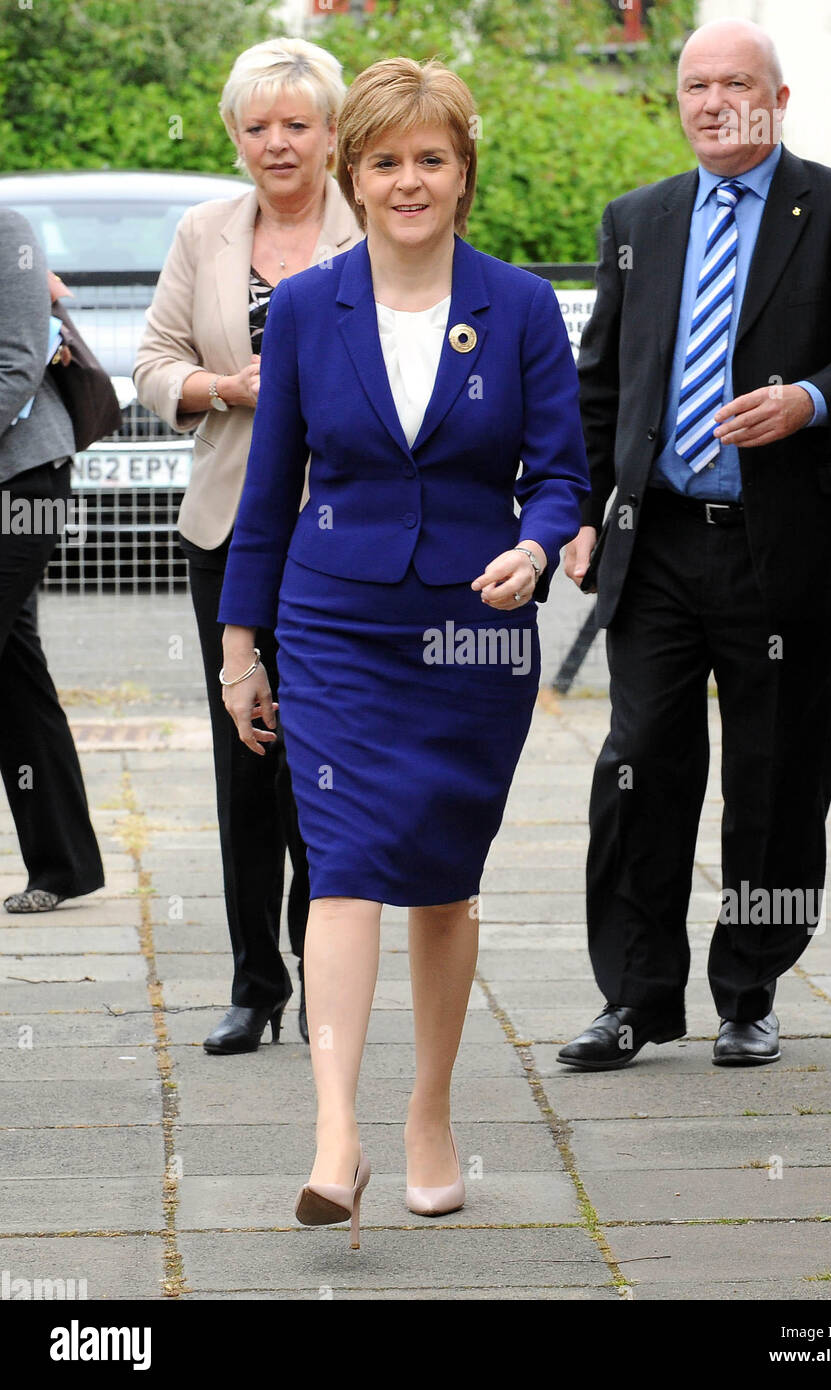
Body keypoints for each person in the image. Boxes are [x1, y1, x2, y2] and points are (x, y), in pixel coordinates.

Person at [217, 57, 589, 1245]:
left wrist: (535, 551)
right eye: (385, 160)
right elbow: (268, 493)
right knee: (344, 863)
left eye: (432, 158)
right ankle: (337, 1132)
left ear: (463, 174)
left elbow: (563, 475)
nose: (409, 179)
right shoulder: (311, 308)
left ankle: (429, 1113)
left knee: (441, 875)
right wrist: (240, 647)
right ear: (353, 174)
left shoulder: (522, 305)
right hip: (336, 626)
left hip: (473, 634)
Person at [559, 19, 831, 1072]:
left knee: (776, 777)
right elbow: (602, 383)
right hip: (659, 543)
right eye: (694, 86)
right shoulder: (639, 219)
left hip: (782, 547)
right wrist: (583, 512)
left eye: (735, 85)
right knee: (639, 766)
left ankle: (749, 987)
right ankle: (634, 998)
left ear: (778, 96)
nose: (713, 101)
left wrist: (809, 399)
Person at [133, 38, 363, 1054]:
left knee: (331, 758)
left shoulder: (376, 220)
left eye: (297, 124)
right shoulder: (204, 230)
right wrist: (224, 389)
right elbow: (151, 362)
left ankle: (328, 977)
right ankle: (252, 981)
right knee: (247, 752)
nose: (278, 142)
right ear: (235, 135)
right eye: (258, 125)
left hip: (352, 530)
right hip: (231, 525)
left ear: (330, 133)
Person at [0, 208, 104, 914]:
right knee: (14, 672)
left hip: (20, 481)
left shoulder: (8, 230)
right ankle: (63, 863)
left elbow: (17, 363)